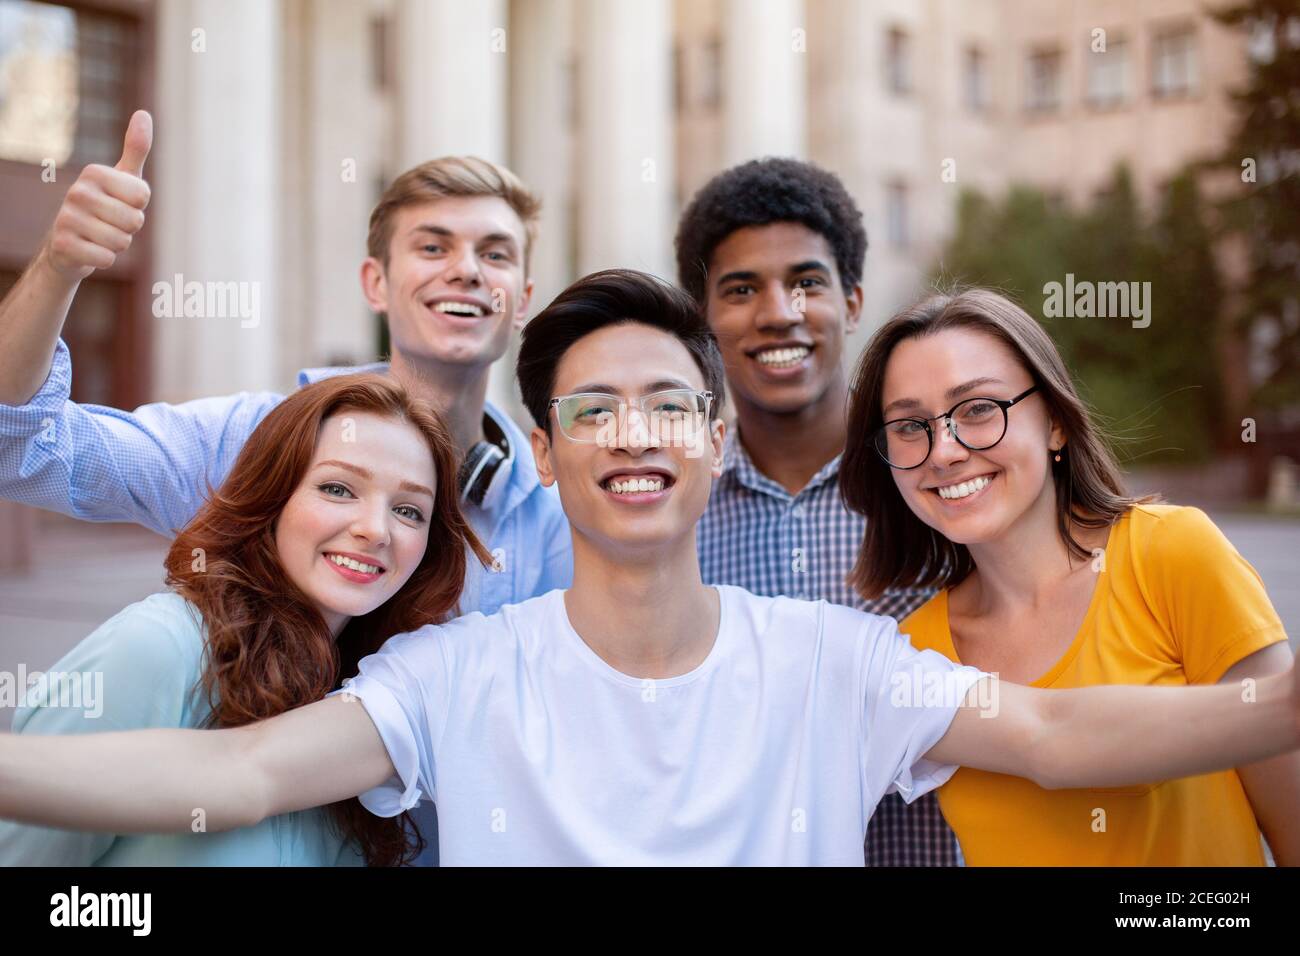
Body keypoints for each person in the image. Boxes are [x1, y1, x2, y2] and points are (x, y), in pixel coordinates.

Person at [1, 270, 1296, 867]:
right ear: (547, 460)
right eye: (591, 410)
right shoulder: (450, 672)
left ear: (717, 441)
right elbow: (239, 771)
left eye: (669, 405)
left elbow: (1061, 736)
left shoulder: (835, 661)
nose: (633, 433)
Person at [0, 110, 571, 863]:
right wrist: (56, 269)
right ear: (376, 280)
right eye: (432, 246)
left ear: (522, 296)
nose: (465, 269)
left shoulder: (559, 521)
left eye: (493, 254)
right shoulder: (248, 445)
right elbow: (24, 446)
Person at [839, 287, 1300, 865]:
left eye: (979, 408)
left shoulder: (1172, 553)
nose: (944, 451)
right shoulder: (914, 650)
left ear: (1055, 422)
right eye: (909, 425)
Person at [0, 372, 487, 865]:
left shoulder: (388, 686)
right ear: (273, 496)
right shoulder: (158, 648)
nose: (374, 530)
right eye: (338, 489)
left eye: (408, 510)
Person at [676, 158, 951, 865]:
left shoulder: (941, 486)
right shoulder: (669, 515)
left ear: (853, 303)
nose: (778, 312)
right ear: (702, 323)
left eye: (806, 282)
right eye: (740, 289)